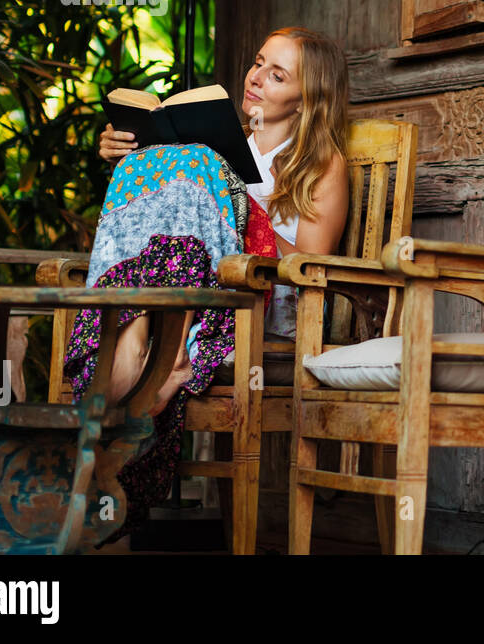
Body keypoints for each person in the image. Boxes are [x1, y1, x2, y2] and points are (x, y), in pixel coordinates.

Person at [64, 26, 350, 537]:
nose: (256, 79)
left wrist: (237, 212)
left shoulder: (321, 164)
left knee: (197, 168)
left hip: (257, 304)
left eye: (277, 74)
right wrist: (128, 153)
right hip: (190, 292)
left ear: (310, 98)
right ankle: (142, 334)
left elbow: (312, 266)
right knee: (157, 164)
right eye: (258, 62)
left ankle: (137, 342)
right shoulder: (223, 142)